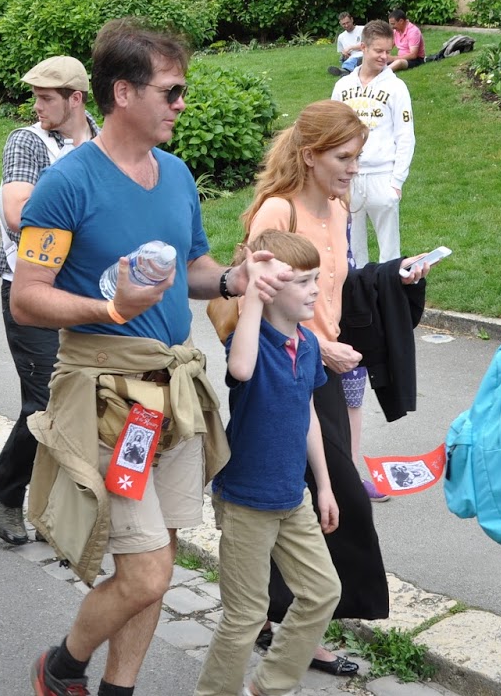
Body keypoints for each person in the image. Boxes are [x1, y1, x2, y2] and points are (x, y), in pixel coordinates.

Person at [15, 19, 287, 696]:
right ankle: (62, 666)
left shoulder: (175, 174)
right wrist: (110, 310)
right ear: (123, 93)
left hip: (174, 392)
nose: (181, 103)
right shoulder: (66, 185)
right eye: (172, 90)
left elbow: (192, 264)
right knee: (147, 572)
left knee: (158, 553)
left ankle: (116, 689)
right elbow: (28, 298)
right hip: (107, 396)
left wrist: (232, 279)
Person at [238, 100, 412, 675]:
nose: (353, 169)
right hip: (282, 377)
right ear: (309, 156)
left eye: (357, 157)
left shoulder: (337, 210)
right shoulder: (276, 213)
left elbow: (336, 288)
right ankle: (296, 626)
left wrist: (395, 276)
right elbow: (257, 308)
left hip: (323, 373)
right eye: (343, 157)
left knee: (308, 499)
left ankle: (274, 618)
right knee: (330, 498)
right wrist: (319, 345)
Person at [194, 230, 340, 696]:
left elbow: (307, 415)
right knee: (246, 615)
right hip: (246, 502)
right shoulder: (249, 342)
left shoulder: (310, 345)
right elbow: (240, 370)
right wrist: (252, 294)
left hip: (291, 497)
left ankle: (268, 687)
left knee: (322, 592)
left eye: (315, 279)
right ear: (270, 291)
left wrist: (324, 485)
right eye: (302, 281)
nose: (315, 290)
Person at [0, 55, 99, 546]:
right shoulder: (28, 141)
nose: (37, 106)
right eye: (34, 96)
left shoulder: (105, 137)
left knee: (91, 399)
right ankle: (5, 489)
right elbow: (15, 213)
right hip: (31, 289)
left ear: (76, 98)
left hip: (93, 291)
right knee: (46, 402)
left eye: (47, 97)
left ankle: (68, 506)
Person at [331, 21, 415, 267]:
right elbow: (331, 132)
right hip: (348, 178)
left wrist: (396, 182)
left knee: (389, 251)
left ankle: (389, 299)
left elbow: (405, 136)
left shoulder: (396, 88)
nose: (385, 57)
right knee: (352, 249)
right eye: (379, 51)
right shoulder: (342, 86)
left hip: (382, 175)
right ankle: (359, 300)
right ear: (363, 48)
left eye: (388, 51)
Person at [326, 12, 364, 77]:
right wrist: (344, 54)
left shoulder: (363, 29)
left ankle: (344, 70)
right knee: (346, 60)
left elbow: (368, 45)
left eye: (348, 22)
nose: (346, 25)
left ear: (352, 20)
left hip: (363, 54)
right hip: (351, 57)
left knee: (357, 59)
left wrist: (350, 47)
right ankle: (347, 70)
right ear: (340, 24)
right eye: (344, 24)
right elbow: (342, 52)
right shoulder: (341, 37)